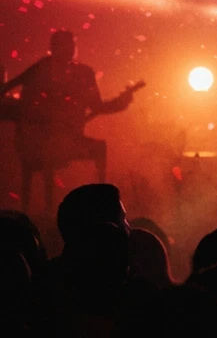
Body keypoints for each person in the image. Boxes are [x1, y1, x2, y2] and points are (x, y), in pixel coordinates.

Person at [0, 29, 141, 213]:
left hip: (71, 139)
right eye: (65, 45)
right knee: (50, 150)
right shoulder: (41, 68)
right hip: (39, 141)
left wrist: (122, 102)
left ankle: (104, 206)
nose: (71, 49)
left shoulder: (84, 73)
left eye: (72, 44)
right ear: (54, 47)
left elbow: (98, 107)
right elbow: (8, 87)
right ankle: (48, 212)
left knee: (98, 148)